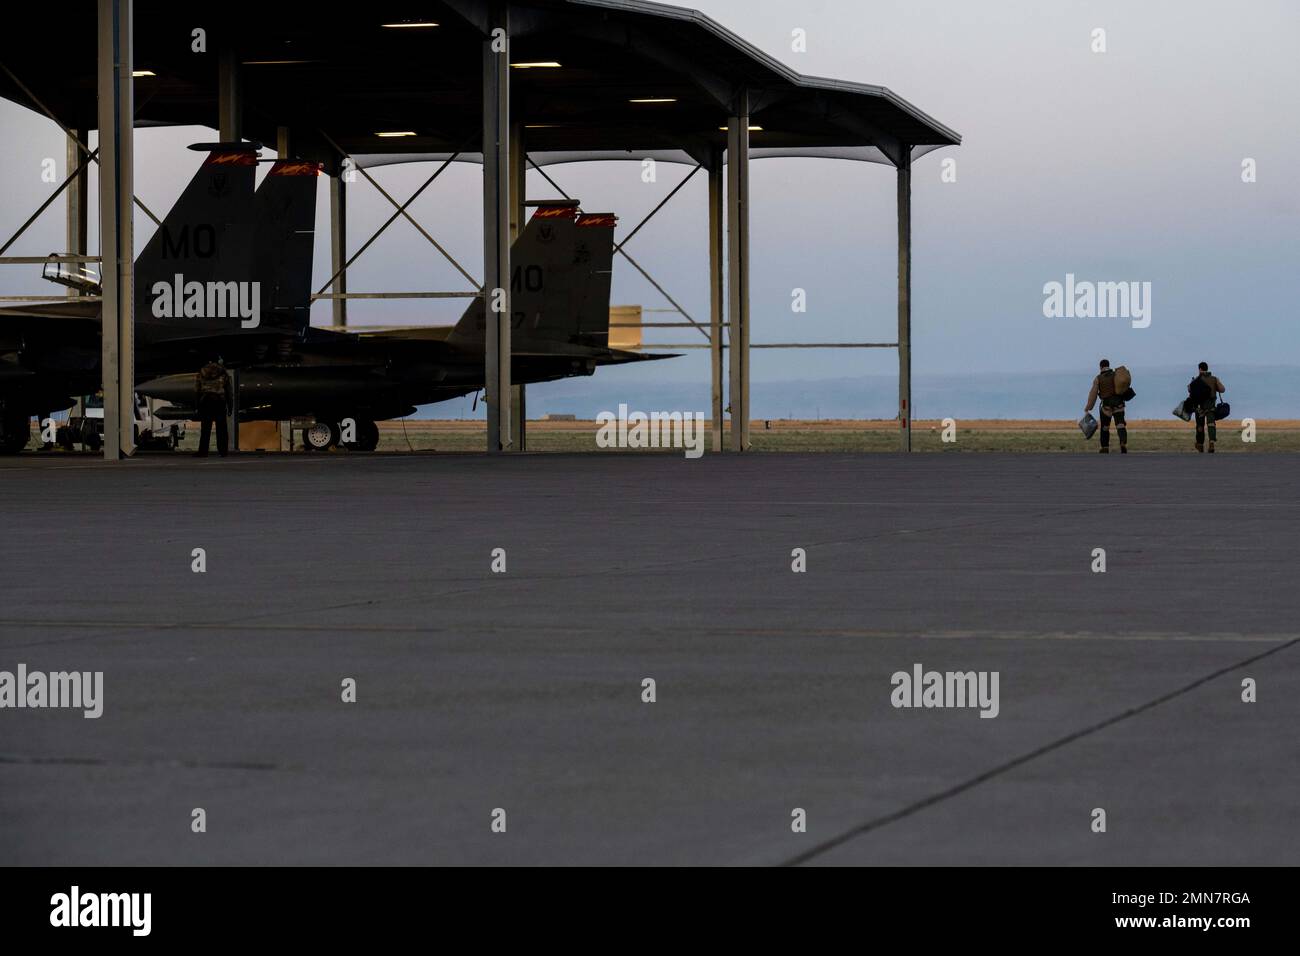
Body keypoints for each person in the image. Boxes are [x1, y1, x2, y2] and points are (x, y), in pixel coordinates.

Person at [1085, 358, 1127, 453]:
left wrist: (1088, 407)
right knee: (1120, 425)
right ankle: (1123, 442)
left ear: (1100, 367)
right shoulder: (1116, 375)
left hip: (1106, 407)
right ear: (1109, 365)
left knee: (1105, 427)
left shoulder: (1098, 378)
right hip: (1119, 405)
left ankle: (1105, 447)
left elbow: (1093, 394)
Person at [194, 357, 233, 457]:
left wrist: (197, 406)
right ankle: (223, 451)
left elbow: (197, 391)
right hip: (219, 402)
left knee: (205, 429)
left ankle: (203, 451)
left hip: (206, 401)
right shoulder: (223, 373)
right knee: (222, 429)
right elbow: (228, 391)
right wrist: (230, 406)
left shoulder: (201, 372)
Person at [1187, 361, 1225, 453]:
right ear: (1207, 369)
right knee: (1211, 424)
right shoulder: (1214, 379)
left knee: (1200, 426)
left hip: (1199, 407)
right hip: (1210, 405)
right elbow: (1222, 390)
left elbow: (1189, 390)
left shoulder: (1196, 380)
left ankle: (1200, 445)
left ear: (1200, 369)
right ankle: (1211, 442)